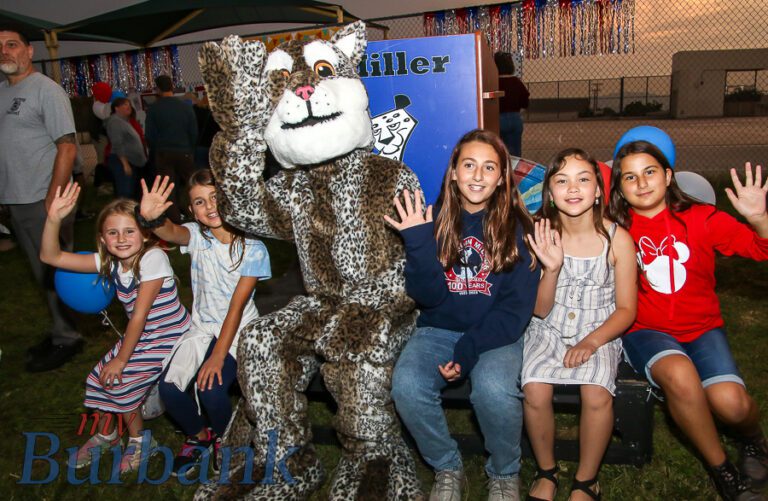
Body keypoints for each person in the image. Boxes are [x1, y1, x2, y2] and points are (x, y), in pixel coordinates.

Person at [610, 132, 768, 501]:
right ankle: (723, 472)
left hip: (702, 329)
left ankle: (753, 438)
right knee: (679, 375)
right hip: (645, 330)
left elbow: (762, 248)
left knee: (732, 404)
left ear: (668, 176)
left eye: (650, 172)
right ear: (620, 186)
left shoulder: (701, 218)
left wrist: (759, 218)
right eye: (629, 176)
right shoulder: (615, 229)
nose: (641, 182)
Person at [388, 129, 540, 501]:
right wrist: (419, 242)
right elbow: (427, 297)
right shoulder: (432, 220)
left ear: (502, 176)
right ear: (453, 172)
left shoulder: (519, 228)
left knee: (493, 390)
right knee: (406, 385)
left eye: (489, 167)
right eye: (468, 165)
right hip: (438, 330)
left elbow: (515, 311)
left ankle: (504, 472)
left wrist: (469, 350)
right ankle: (446, 465)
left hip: (494, 335)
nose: (477, 175)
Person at [39, 183, 190, 474]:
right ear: (103, 239)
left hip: (169, 336)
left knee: (119, 380)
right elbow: (51, 257)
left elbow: (139, 316)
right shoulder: (109, 261)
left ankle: (139, 441)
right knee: (97, 377)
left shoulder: (153, 258)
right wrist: (54, 219)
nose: (121, 239)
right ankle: (107, 434)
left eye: (129, 231)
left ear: (145, 234)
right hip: (145, 336)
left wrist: (121, 360)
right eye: (113, 232)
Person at [521, 148, 637, 501]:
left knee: (596, 391)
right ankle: (547, 470)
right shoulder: (541, 235)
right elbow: (539, 311)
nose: (573, 188)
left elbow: (626, 309)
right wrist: (551, 269)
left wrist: (591, 342)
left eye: (583, 179)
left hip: (599, 329)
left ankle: (587, 479)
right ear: (550, 194)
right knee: (534, 387)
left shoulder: (617, 239)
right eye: (562, 180)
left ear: (599, 190)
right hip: (549, 328)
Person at [139, 172, 271, 478]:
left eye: (215, 197)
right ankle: (200, 436)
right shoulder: (197, 236)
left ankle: (230, 442)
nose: (209, 206)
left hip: (237, 332)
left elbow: (236, 309)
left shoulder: (253, 247)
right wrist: (151, 219)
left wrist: (217, 356)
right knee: (168, 390)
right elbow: (171, 232)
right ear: (192, 210)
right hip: (201, 328)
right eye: (200, 201)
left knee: (210, 391)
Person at [0, 25, 83, 372]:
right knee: (40, 271)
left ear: (29, 51)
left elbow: (66, 145)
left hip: (44, 199)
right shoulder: (2, 92)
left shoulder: (46, 90)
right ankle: (59, 329)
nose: (5, 51)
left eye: (12, 44)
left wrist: (54, 198)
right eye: (0, 47)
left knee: (55, 270)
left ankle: (70, 337)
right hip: (16, 199)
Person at [144, 75, 197, 224]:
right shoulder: (185, 107)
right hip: (184, 151)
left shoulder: (154, 109)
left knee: (168, 188)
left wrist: (156, 150)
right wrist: (190, 148)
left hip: (163, 152)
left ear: (158, 89)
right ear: (172, 87)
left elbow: (150, 135)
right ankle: (193, 212)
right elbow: (193, 130)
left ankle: (175, 219)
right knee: (191, 183)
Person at [105, 97, 147, 199]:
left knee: (132, 191)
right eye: (124, 104)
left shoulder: (124, 121)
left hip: (132, 161)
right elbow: (117, 144)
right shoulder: (115, 122)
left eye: (128, 104)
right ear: (116, 108)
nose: (128, 107)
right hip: (121, 161)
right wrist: (125, 164)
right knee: (125, 191)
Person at [494, 52, 529, 158]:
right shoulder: (516, 82)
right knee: (515, 151)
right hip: (515, 118)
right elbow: (525, 102)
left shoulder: (494, 82)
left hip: (498, 119)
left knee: (498, 150)